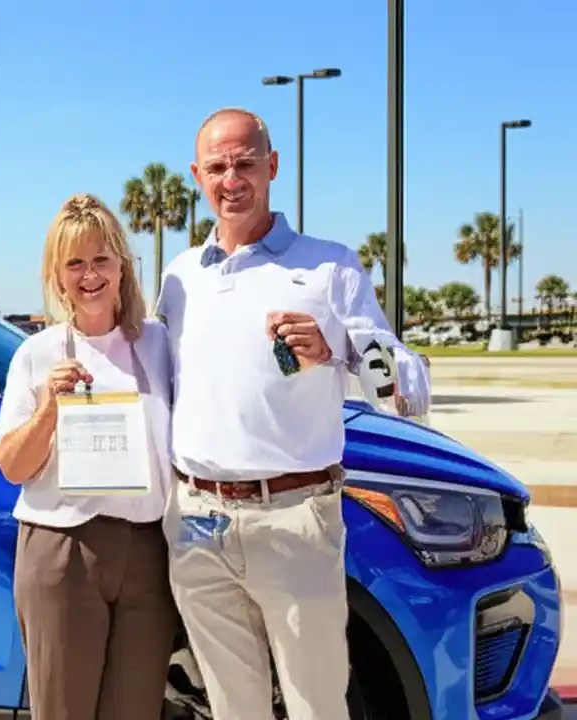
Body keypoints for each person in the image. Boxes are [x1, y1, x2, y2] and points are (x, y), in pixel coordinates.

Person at [154, 107, 431, 720]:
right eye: (218, 166)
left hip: (295, 520)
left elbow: (406, 387)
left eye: (245, 163)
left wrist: (339, 349)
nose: (232, 179)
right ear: (197, 175)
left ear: (273, 166)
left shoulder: (330, 267)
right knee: (232, 709)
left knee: (316, 707)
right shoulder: (178, 279)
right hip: (198, 523)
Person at [0, 193, 178, 719]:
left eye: (101, 259)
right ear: (57, 274)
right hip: (63, 551)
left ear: (122, 264)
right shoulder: (36, 353)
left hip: (148, 553)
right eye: (75, 262)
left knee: (136, 710)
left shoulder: (161, 345)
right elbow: (12, 466)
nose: (90, 274)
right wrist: (49, 410)